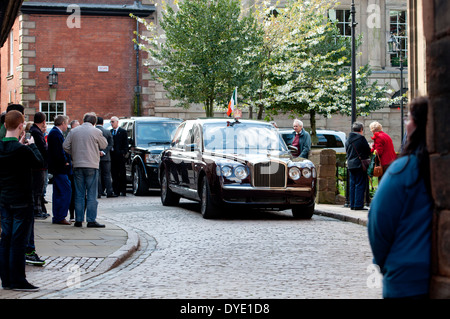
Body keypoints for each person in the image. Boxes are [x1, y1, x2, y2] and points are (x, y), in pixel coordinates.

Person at [368, 97, 433, 299]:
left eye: (409, 118)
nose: (406, 123)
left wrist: (384, 262)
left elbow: (378, 223)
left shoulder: (404, 170)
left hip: (408, 278)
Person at [0, 110, 43, 291]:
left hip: (4, 200)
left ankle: (7, 280)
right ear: (20, 126)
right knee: (18, 241)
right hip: (22, 201)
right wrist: (32, 145)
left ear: (4, 125)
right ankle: (18, 280)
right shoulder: (23, 150)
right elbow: (40, 163)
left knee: (6, 239)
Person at [63, 112, 108, 228]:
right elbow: (104, 144)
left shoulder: (74, 131)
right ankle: (91, 220)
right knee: (92, 194)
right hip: (92, 165)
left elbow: (65, 146)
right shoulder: (96, 131)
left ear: (83, 120)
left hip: (77, 164)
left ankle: (78, 220)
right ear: (94, 122)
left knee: (79, 194)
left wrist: (74, 153)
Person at [47, 115, 72, 225]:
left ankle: (58, 216)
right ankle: (60, 216)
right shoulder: (56, 134)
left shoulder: (54, 132)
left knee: (58, 192)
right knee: (65, 191)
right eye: (66, 123)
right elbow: (58, 151)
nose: (67, 126)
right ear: (62, 123)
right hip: (60, 168)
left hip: (57, 169)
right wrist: (65, 161)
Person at [345, 121, 371, 210]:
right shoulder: (361, 138)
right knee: (360, 184)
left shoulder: (348, 139)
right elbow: (367, 151)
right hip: (359, 164)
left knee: (352, 184)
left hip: (350, 164)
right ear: (361, 129)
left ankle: (352, 204)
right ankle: (358, 205)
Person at [96, 117, 116, 198]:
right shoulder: (107, 132)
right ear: (103, 123)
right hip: (106, 157)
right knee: (107, 175)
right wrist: (104, 152)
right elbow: (111, 144)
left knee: (98, 175)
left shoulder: (93, 132)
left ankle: (99, 192)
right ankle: (109, 192)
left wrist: (98, 151)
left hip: (95, 157)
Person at [110, 116, 128, 196]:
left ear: (117, 122)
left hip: (120, 156)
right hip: (113, 156)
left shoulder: (123, 132)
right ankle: (115, 190)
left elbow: (125, 144)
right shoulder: (110, 132)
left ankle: (123, 190)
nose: (111, 123)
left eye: (113, 122)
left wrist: (123, 152)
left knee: (122, 173)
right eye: (111, 122)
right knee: (114, 174)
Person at [68, 120, 80, 221]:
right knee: (72, 192)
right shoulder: (70, 135)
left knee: (80, 193)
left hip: (79, 166)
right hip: (72, 167)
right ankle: (72, 215)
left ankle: (79, 216)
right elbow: (65, 147)